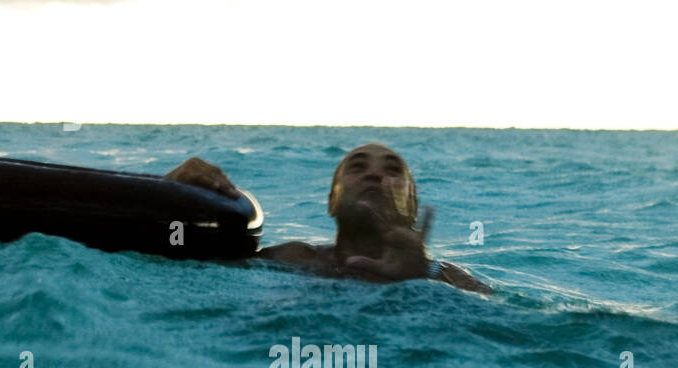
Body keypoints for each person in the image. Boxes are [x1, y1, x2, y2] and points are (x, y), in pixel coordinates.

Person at [165, 143, 491, 293]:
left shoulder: (448, 279)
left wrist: (420, 280)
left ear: (414, 206)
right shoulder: (291, 259)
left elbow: (509, 331)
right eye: (358, 167)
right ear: (332, 201)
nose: (375, 174)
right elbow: (179, 270)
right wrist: (173, 193)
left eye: (392, 170)